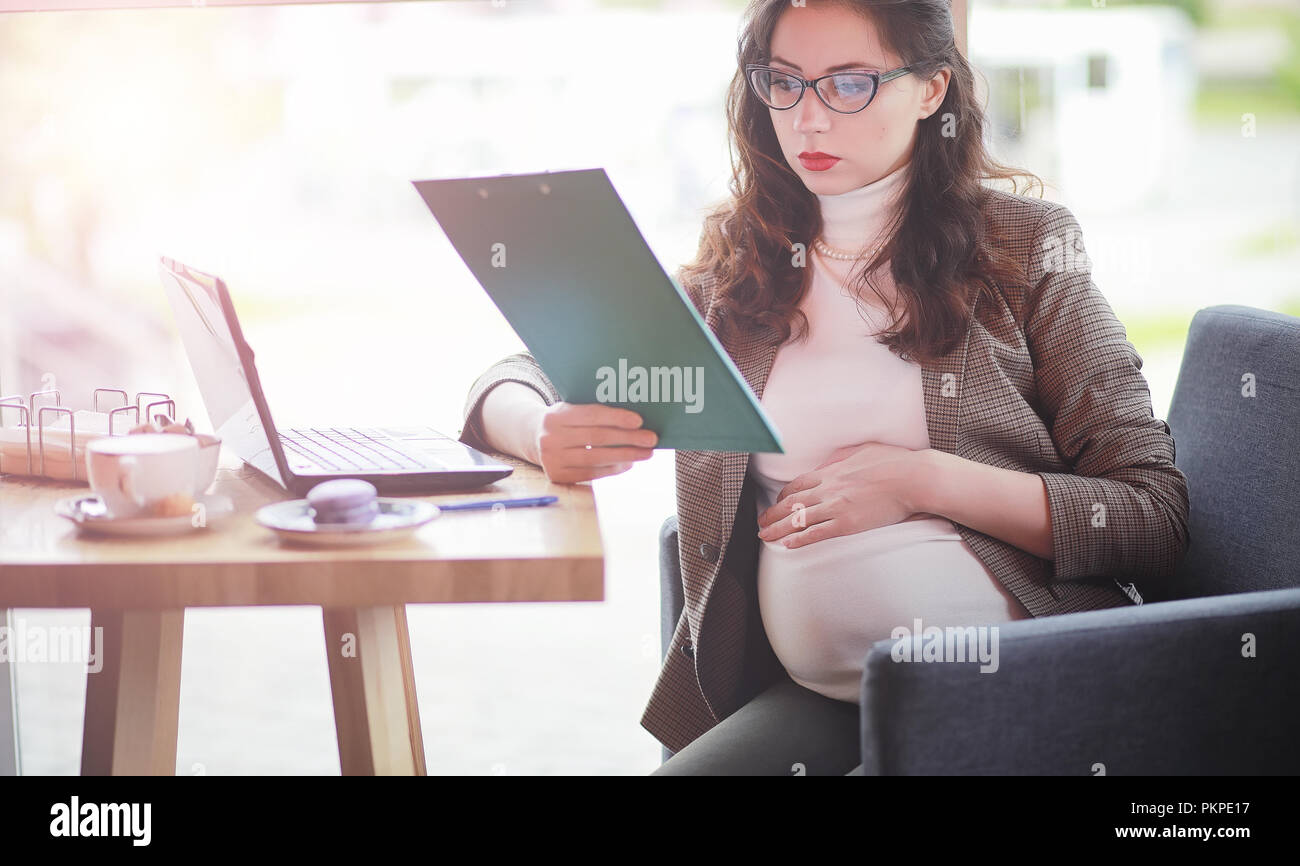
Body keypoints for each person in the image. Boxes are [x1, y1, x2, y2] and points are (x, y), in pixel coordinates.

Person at [456, 0, 1190, 775]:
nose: (807, 118)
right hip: (825, 701)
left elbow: (1152, 517)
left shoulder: (1027, 246)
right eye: (785, 82)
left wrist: (924, 481)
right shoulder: (740, 274)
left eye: (850, 84)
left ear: (932, 88)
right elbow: (511, 375)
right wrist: (539, 429)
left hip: (1016, 686)